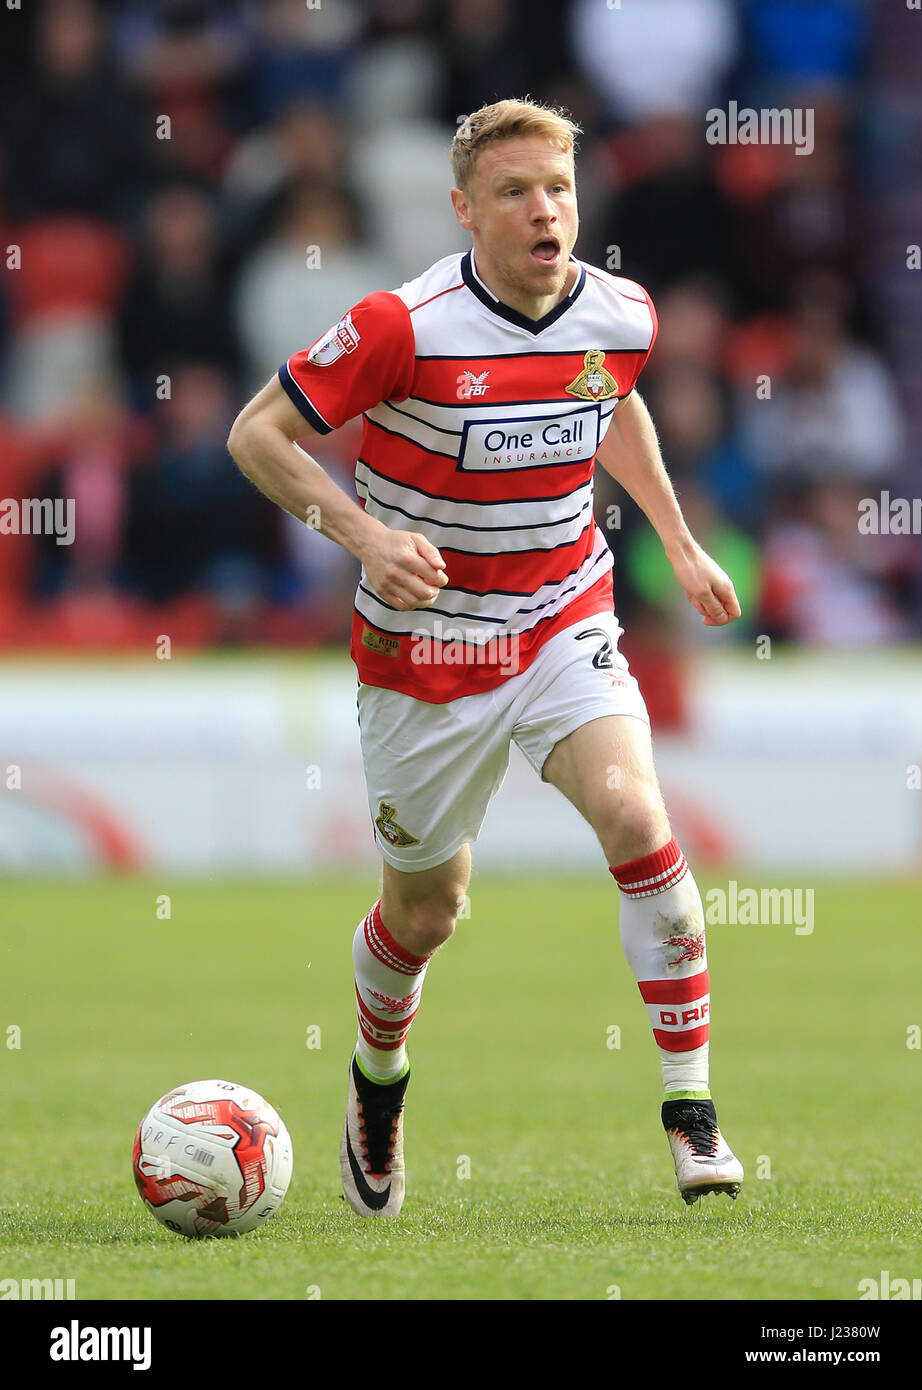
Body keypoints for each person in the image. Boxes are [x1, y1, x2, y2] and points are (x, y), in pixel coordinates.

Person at [227, 98, 744, 1217]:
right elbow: (255, 434)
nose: (542, 209)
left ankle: (691, 1111)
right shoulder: (401, 325)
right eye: (513, 192)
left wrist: (677, 537)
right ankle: (377, 1080)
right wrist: (365, 535)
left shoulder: (621, 313)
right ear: (465, 209)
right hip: (427, 653)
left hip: (564, 618)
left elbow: (612, 404)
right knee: (427, 912)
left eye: (556, 187)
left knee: (639, 822)